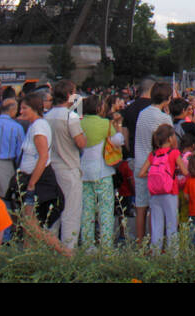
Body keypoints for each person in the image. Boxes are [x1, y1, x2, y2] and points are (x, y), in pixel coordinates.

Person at [44, 80, 87, 249]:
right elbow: (81, 142)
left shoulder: (47, 116)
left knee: (53, 212)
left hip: (51, 168)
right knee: (70, 213)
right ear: (69, 95)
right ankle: (69, 250)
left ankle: (51, 248)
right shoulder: (71, 117)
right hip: (69, 167)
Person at [79, 95, 124, 249]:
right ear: (99, 108)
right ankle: (106, 246)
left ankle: (87, 245)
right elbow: (118, 141)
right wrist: (118, 129)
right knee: (105, 210)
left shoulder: (79, 123)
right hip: (103, 171)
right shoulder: (105, 124)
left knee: (87, 211)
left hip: (83, 172)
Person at [131, 81, 173, 244]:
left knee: (141, 206)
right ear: (168, 99)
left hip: (139, 162)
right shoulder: (163, 118)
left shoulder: (143, 113)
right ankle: (155, 242)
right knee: (155, 208)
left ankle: (141, 241)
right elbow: (170, 142)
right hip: (156, 166)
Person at [14, 92, 62, 230]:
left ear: (34, 108)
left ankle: (64, 251)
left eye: (24, 108)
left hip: (37, 181)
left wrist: (31, 183)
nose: (21, 111)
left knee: (32, 226)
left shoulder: (38, 127)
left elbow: (43, 156)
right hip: (31, 178)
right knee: (29, 225)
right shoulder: (33, 126)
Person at [145, 124, 186, 250]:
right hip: (170, 191)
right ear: (169, 138)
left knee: (156, 225)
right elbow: (185, 172)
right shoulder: (174, 153)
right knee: (171, 225)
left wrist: (155, 175)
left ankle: (155, 253)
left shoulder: (153, 154)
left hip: (154, 193)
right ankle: (172, 256)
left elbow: (141, 173)